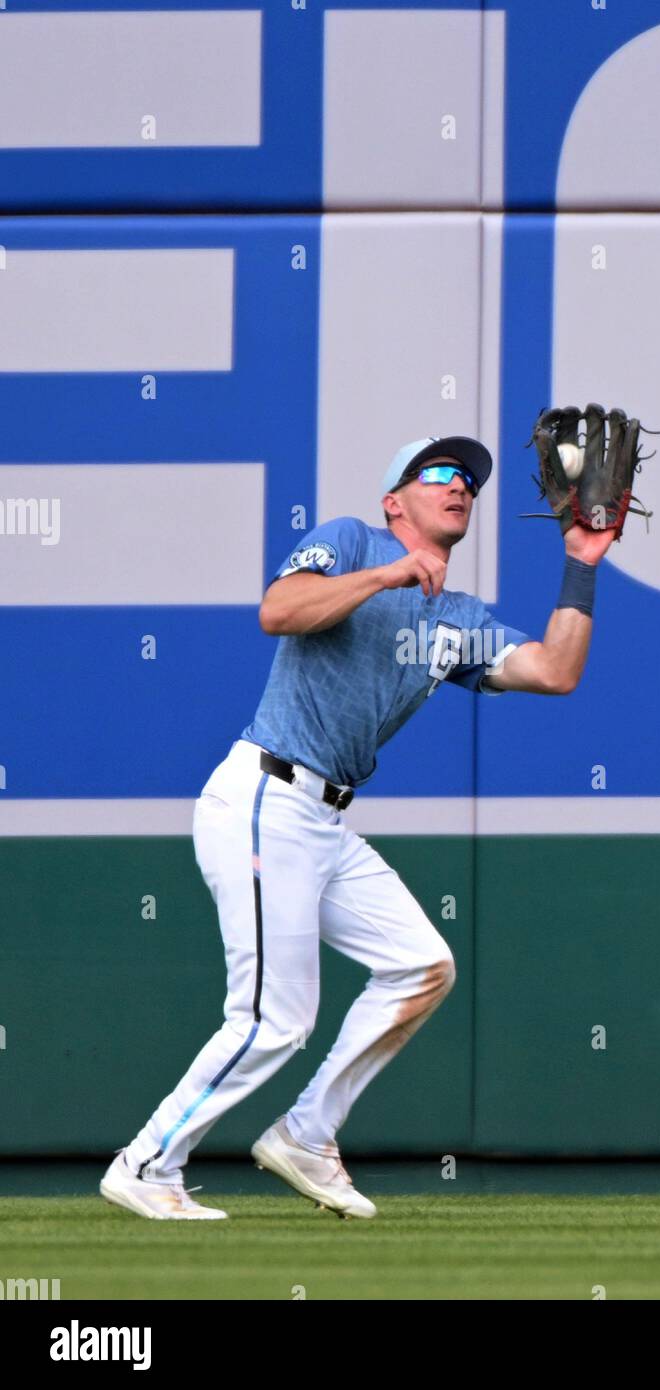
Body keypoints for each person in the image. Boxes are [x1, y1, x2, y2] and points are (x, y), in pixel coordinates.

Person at [99, 433, 616, 1221]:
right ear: (392, 500)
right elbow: (278, 610)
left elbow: (555, 670)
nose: (458, 487)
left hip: (325, 821)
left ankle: (307, 1134)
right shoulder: (349, 540)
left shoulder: (456, 619)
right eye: (437, 473)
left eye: (469, 482)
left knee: (421, 965)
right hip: (265, 795)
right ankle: (146, 1163)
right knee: (276, 1018)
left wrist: (581, 559)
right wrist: (384, 574)